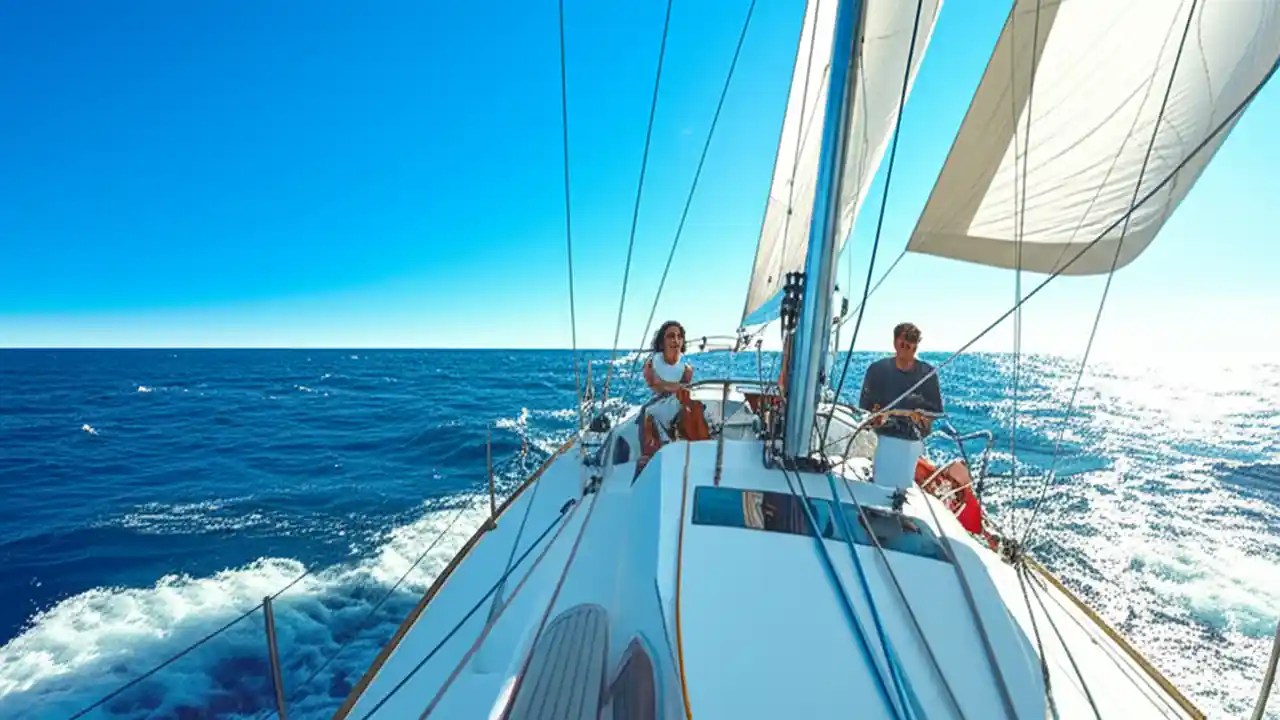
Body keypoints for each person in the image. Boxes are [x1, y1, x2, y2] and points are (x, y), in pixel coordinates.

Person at [859, 322, 943, 440]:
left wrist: (924, 417)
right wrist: (874, 416)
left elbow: (937, 412)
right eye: (904, 344)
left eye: (912, 345)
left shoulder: (927, 373)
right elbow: (864, 408)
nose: (909, 349)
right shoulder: (877, 370)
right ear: (895, 343)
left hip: (913, 439)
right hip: (880, 436)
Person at [642, 320, 693, 443]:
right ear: (662, 341)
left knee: (694, 410)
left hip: (677, 406)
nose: (676, 340)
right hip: (655, 406)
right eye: (671, 336)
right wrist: (677, 387)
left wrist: (670, 387)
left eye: (679, 336)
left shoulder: (687, 369)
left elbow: (684, 392)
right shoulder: (651, 364)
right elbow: (655, 386)